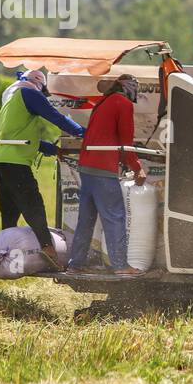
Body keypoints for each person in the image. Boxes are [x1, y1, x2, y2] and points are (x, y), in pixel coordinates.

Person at [0, 69, 85, 271]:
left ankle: (5, 255)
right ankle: (48, 250)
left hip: (0, 160)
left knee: (9, 212)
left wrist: (52, 149)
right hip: (16, 163)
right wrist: (84, 133)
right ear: (39, 84)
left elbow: (18, 134)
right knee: (34, 206)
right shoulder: (29, 93)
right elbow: (56, 117)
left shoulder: (11, 96)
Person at [68, 75, 147, 276]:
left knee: (86, 219)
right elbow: (126, 141)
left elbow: (106, 136)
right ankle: (120, 266)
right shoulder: (123, 103)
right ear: (129, 88)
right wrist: (137, 167)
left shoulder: (103, 102)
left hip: (86, 167)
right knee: (115, 218)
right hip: (102, 169)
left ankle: (75, 263)